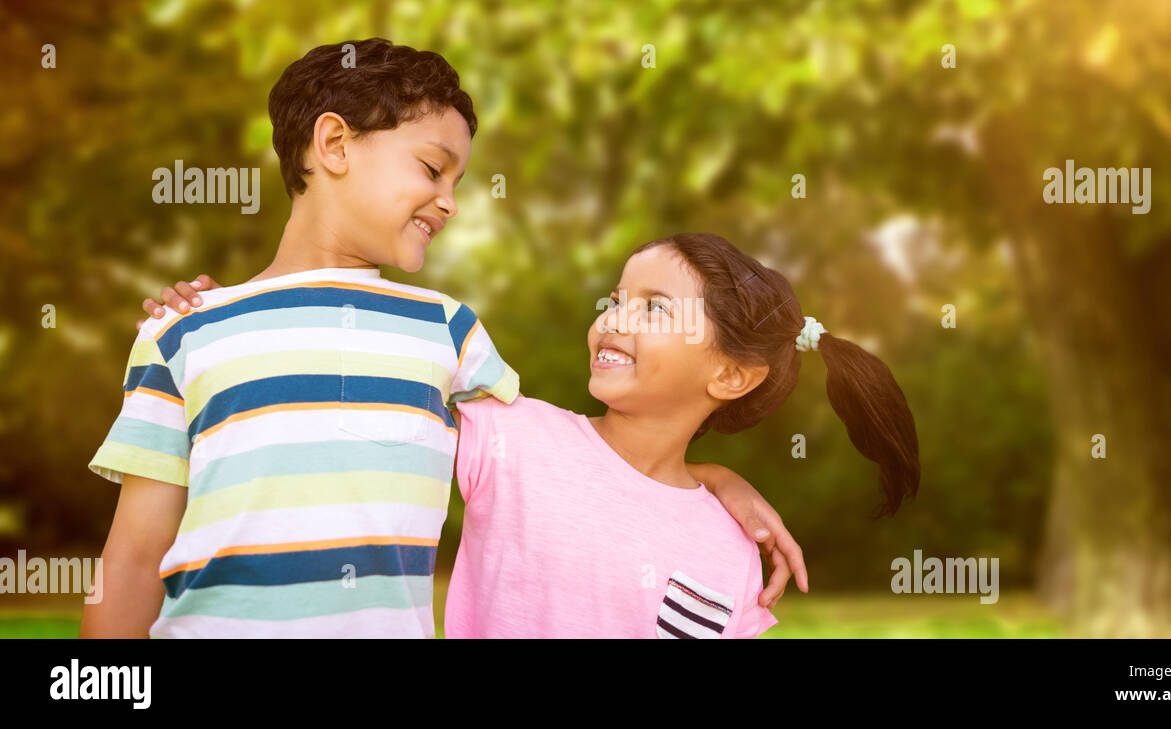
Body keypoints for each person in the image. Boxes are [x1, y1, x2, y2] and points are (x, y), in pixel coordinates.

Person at [88, 39, 801, 638]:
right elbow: (131, 558)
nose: (451, 201)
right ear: (333, 143)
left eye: (457, 179)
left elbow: (582, 456)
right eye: (432, 168)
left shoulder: (448, 336)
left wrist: (712, 479)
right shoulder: (184, 331)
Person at [443, 233, 920, 637]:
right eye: (616, 300)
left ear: (731, 376)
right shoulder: (510, 433)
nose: (613, 319)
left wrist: (710, 480)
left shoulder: (732, 550)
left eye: (654, 308)